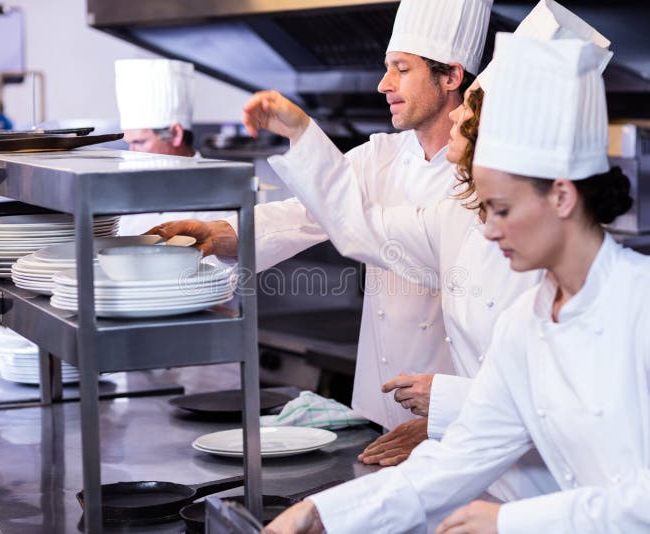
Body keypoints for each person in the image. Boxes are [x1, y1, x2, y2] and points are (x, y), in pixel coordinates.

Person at [263, 34, 650, 534]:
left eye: (501, 209)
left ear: (563, 196)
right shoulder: (524, 327)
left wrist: (510, 522)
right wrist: (322, 516)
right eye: (483, 208)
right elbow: (456, 458)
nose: (486, 229)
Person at [241, 0, 610, 493]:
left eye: (472, 121)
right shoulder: (458, 219)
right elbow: (356, 226)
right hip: (478, 473)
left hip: (532, 491)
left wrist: (448, 409)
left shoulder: (619, 295)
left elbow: (575, 415)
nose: (458, 123)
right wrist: (299, 133)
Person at [147, 0, 493, 436]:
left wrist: (302, 133)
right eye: (387, 68)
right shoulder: (381, 156)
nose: (384, 84)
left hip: (451, 419)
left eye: (402, 69)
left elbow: (360, 227)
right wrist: (219, 233)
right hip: (377, 409)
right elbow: (307, 214)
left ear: (451, 76)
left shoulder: (483, 178)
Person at [114, 58, 227, 236]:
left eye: (140, 142)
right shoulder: (131, 186)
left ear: (175, 134)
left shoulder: (220, 190)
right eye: (129, 144)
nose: (132, 154)